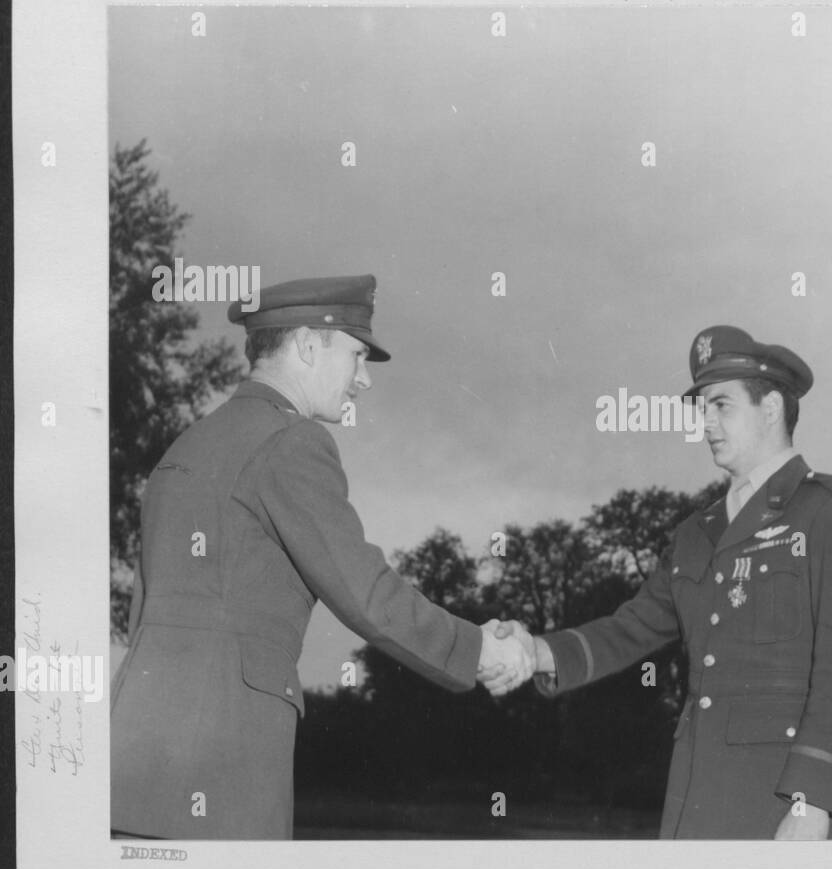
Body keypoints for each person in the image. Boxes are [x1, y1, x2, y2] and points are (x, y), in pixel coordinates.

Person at [110, 275, 531, 839]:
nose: (364, 379)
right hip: (223, 768)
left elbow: (145, 609)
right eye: (357, 355)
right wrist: (476, 650)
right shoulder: (292, 441)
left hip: (131, 768)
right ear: (309, 346)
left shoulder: (185, 446)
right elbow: (365, 593)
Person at [488, 325, 832, 839]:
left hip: (788, 802)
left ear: (770, 409)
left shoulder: (829, 512)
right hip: (697, 798)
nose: (706, 423)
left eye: (722, 405)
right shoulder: (695, 535)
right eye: (702, 408)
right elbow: (628, 628)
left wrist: (811, 801)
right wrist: (535, 652)